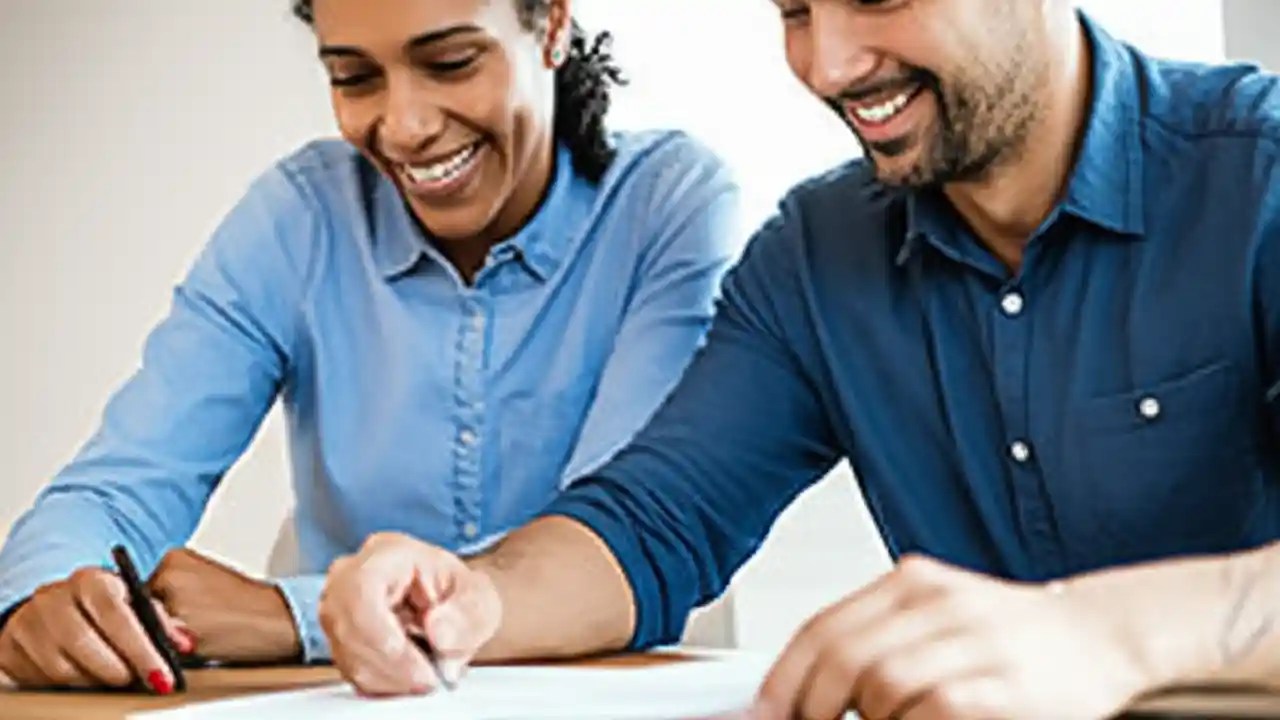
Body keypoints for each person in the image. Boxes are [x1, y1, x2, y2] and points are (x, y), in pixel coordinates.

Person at [318, 0, 1280, 718]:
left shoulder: (1261, 174)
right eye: (794, 11)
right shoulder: (815, 256)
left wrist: (1102, 630)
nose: (827, 64)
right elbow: (654, 524)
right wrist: (468, 599)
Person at [0, 0, 742, 694]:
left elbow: (623, 536)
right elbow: (116, 487)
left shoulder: (667, 207)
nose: (406, 125)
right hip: (343, 699)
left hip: (591, 691)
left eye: (451, 63)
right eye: (354, 78)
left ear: (550, 24)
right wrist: (48, 598)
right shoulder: (301, 219)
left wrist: (290, 615)